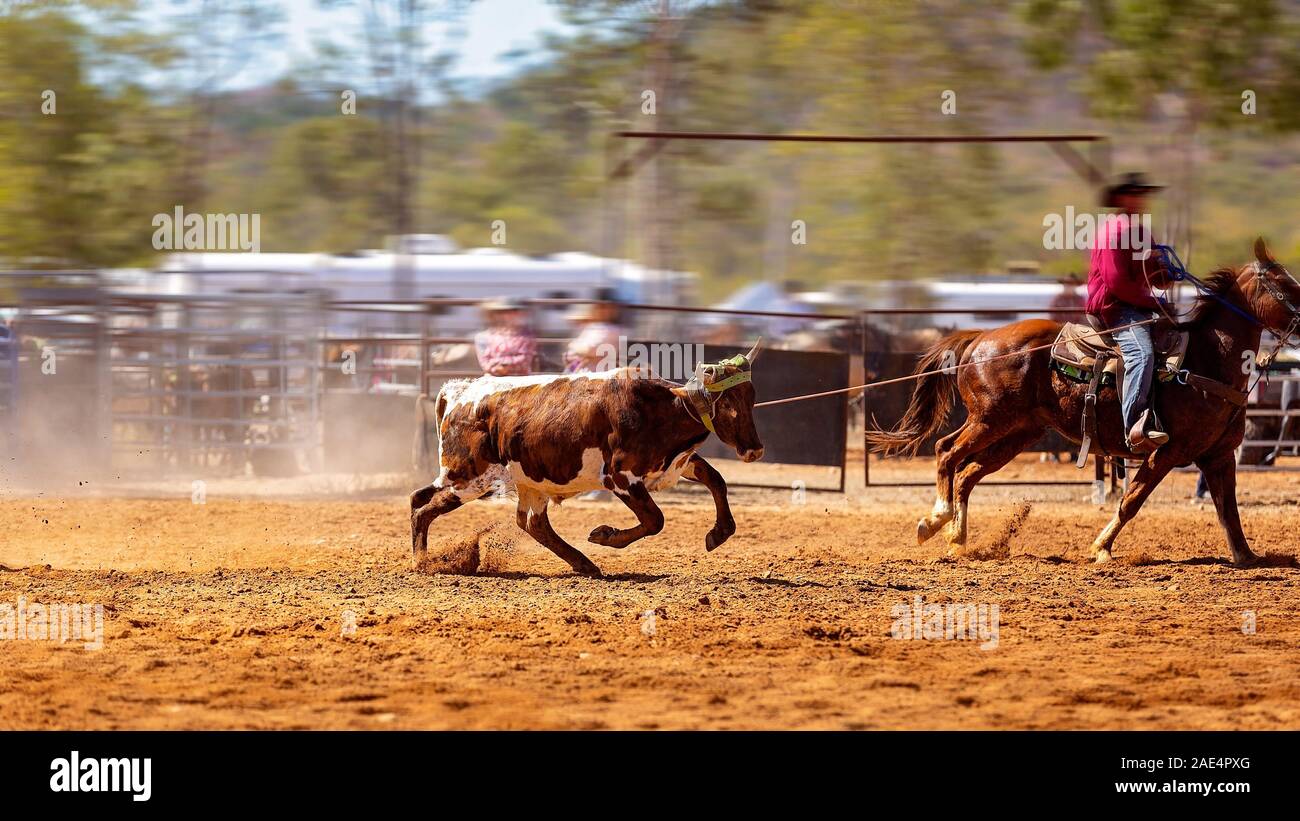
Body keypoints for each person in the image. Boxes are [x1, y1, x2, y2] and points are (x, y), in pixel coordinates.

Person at [1086, 172, 1172, 453]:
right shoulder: (1115, 231)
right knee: (1142, 353)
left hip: (1134, 306)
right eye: (1135, 193)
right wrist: (1153, 302)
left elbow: (1151, 274)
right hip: (1113, 309)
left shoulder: (1140, 231)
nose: (1141, 199)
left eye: (1143, 194)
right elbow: (1117, 283)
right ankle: (1135, 428)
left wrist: (1164, 274)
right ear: (1121, 198)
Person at [474, 298, 536, 377]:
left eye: (513, 311)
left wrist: (502, 365)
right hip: (494, 377)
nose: (508, 315)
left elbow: (525, 359)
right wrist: (497, 368)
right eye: (502, 312)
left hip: (519, 378)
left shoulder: (526, 336)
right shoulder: (483, 337)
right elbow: (484, 362)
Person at [563, 301, 623, 373]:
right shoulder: (593, 327)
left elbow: (590, 349)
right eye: (600, 309)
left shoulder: (612, 330)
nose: (602, 312)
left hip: (595, 374)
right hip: (585, 371)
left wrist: (574, 347)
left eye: (604, 309)